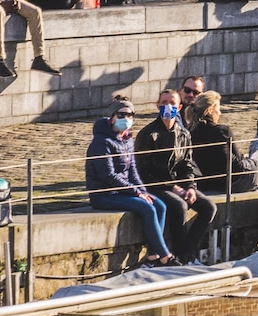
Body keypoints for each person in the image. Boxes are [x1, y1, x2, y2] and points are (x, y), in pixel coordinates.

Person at [84, 100, 177, 268]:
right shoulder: (101, 142)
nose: (126, 118)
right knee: (147, 208)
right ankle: (165, 256)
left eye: (129, 115)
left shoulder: (127, 140)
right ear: (112, 118)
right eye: (121, 115)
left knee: (160, 205)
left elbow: (133, 171)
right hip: (104, 194)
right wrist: (136, 193)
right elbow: (108, 175)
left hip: (124, 192)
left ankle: (153, 255)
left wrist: (143, 191)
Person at [132, 88, 220, 262]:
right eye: (164, 103)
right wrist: (174, 187)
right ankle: (179, 253)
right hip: (155, 185)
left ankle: (188, 252)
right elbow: (143, 172)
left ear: (179, 107)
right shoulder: (148, 134)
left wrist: (190, 187)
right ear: (157, 106)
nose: (167, 106)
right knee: (179, 206)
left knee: (209, 207)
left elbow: (187, 165)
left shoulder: (183, 133)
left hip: (178, 185)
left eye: (172, 103)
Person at [186, 90, 236, 199]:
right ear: (209, 110)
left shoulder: (187, 131)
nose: (220, 113)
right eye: (218, 109)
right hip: (228, 182)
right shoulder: (223, 131)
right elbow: (237, 164)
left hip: (204, 183)